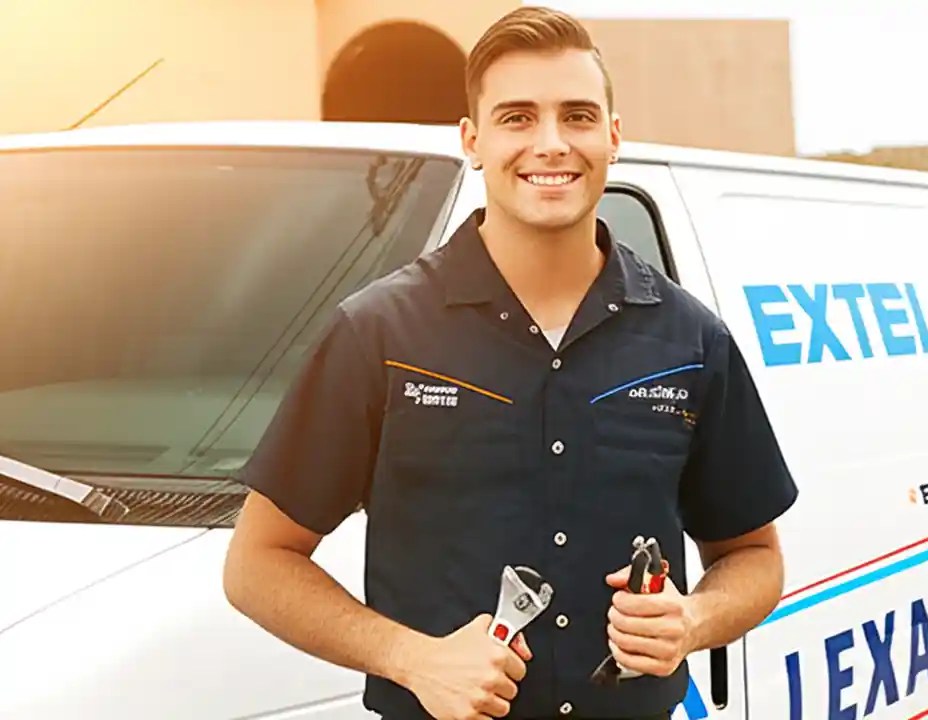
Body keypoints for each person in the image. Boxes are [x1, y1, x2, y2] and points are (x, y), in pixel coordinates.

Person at [222, 6, 798, 719]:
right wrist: (411, 657)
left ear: (614, 138)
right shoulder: (379, 334)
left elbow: (754, 556)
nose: (551, 144)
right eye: (518, 118)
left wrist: (692, 622)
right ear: (473, 139)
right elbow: (258, 564)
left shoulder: (691, 341)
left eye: (579, 116)